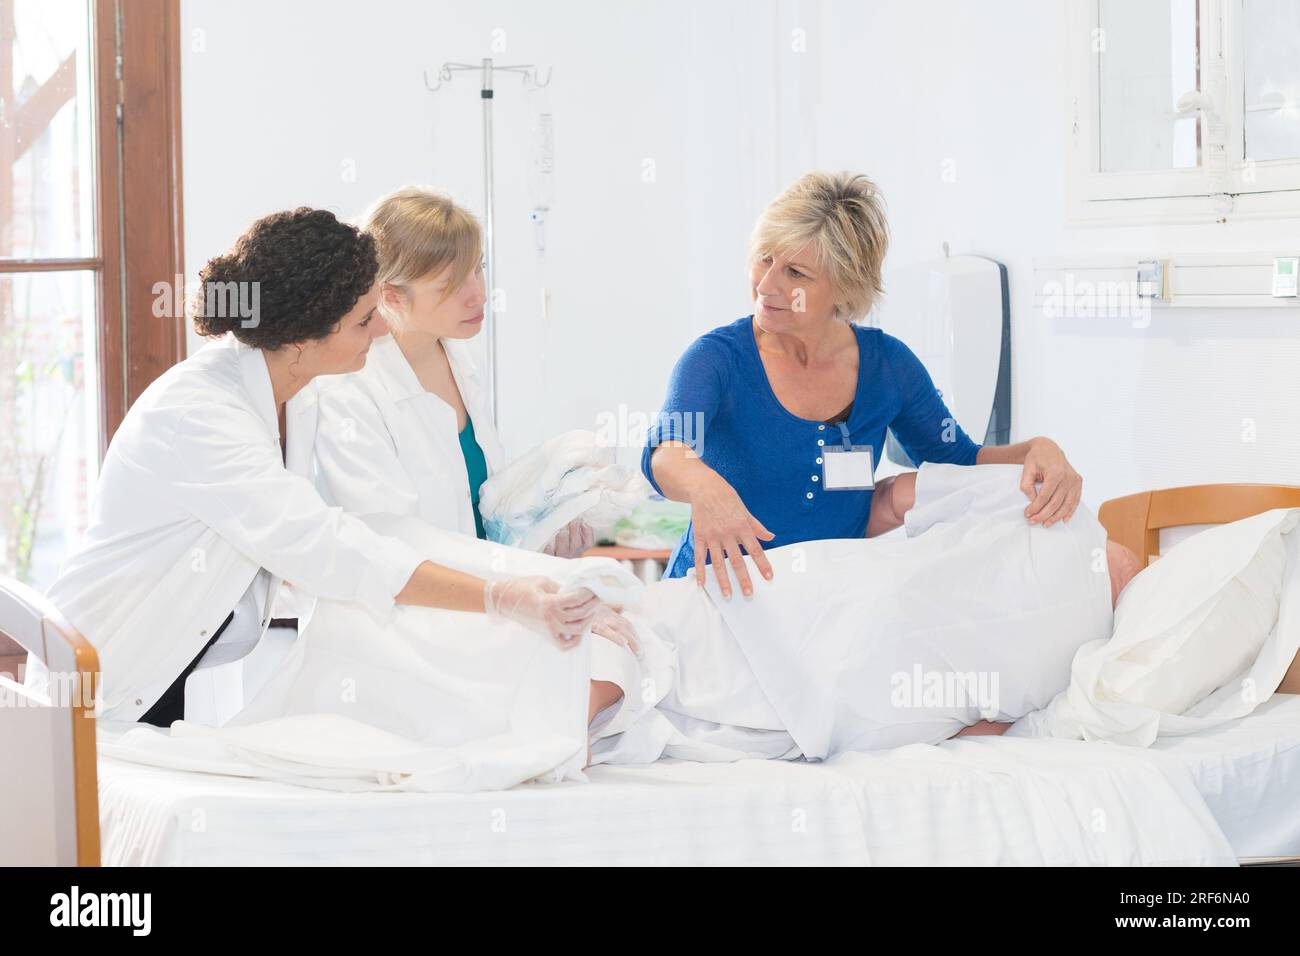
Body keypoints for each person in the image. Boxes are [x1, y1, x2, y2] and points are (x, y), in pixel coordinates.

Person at [27, 208, 608, 726]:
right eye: (363, 321)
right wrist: (500, 596)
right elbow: (321, 542)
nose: (381, 330)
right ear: (302, 338)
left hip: (174, 659)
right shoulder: (202, 416)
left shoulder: (294, 393)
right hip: (109, 669)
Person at [643, 171, 1083, 599]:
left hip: (819, 609)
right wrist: (705, 488)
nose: (768, 284)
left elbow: (961, 462)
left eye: (795, 272)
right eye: (764, 258)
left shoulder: (887, 366)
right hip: (713, 599)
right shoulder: (717, 358)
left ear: (845, 286)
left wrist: (1035, 451)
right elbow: (667, 452)